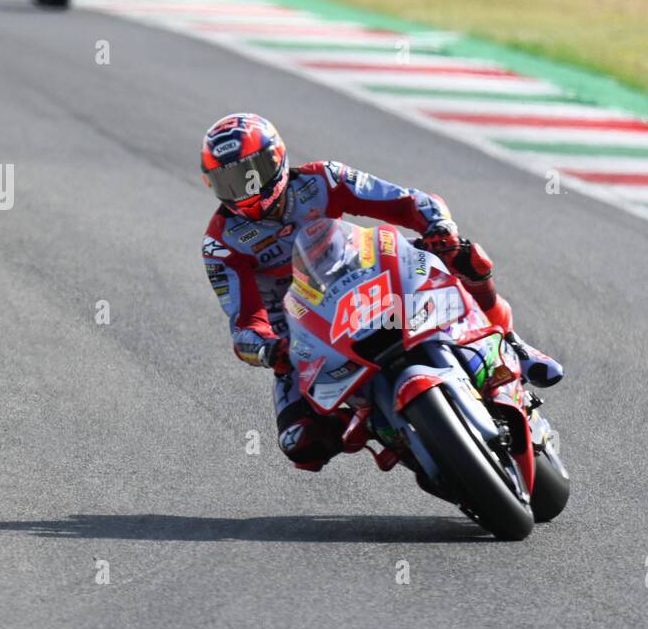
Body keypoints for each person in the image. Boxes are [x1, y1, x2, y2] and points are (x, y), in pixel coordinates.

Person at [199, 113, 562, 471]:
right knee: (299, 442)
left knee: (463, 256)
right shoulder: (221, 244)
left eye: (252, 172)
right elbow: (244, 323)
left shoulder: (322, 180)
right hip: (298, 333)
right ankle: (371, 423)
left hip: (356, 279)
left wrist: (439, 226)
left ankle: (509, 340)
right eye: (230, 181)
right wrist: (266, 348)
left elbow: (406, 201)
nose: (245, 188)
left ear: (277, 160)